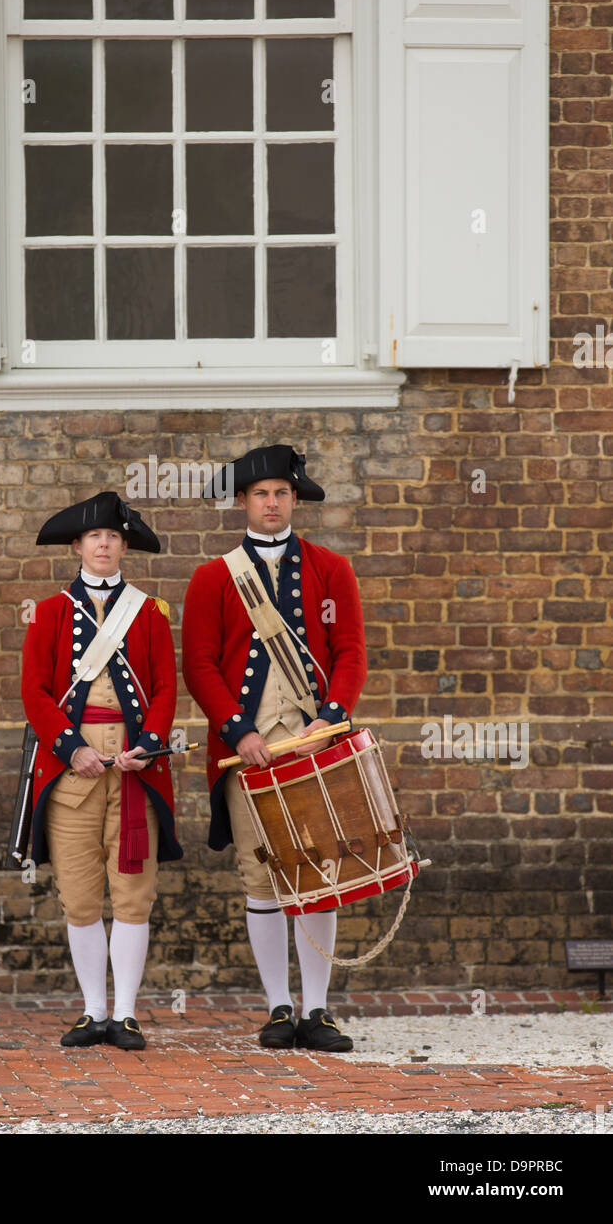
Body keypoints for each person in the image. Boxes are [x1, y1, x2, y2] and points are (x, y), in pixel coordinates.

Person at [182, 445, 367, 1051]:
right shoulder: (213, 577)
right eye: (260, 494)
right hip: (249, 748)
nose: (271, 503)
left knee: (321, 872)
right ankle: (279, 1008)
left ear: (295, 500)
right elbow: (200, 665)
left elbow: (350, 654)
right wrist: (240, 731)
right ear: (243, 502)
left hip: (314, 742)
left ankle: (317, 1009)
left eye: (281, 493)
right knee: (260, 878)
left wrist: (331, 718)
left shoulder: (331, 569)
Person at [21, 491, 181, 1050]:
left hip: (133, 767)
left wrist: (152, 741)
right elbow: (35, 693)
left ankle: (128, 1013)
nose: (105, 544)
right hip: (75, 769)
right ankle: (93, 1011)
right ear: (77, 546)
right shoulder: (50, 612)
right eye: (95, 537)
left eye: (114, 536)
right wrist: (69, 748)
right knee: (81, 896)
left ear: (123, 546)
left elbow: (165, 688)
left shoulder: (151, 611)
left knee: (134, 895)